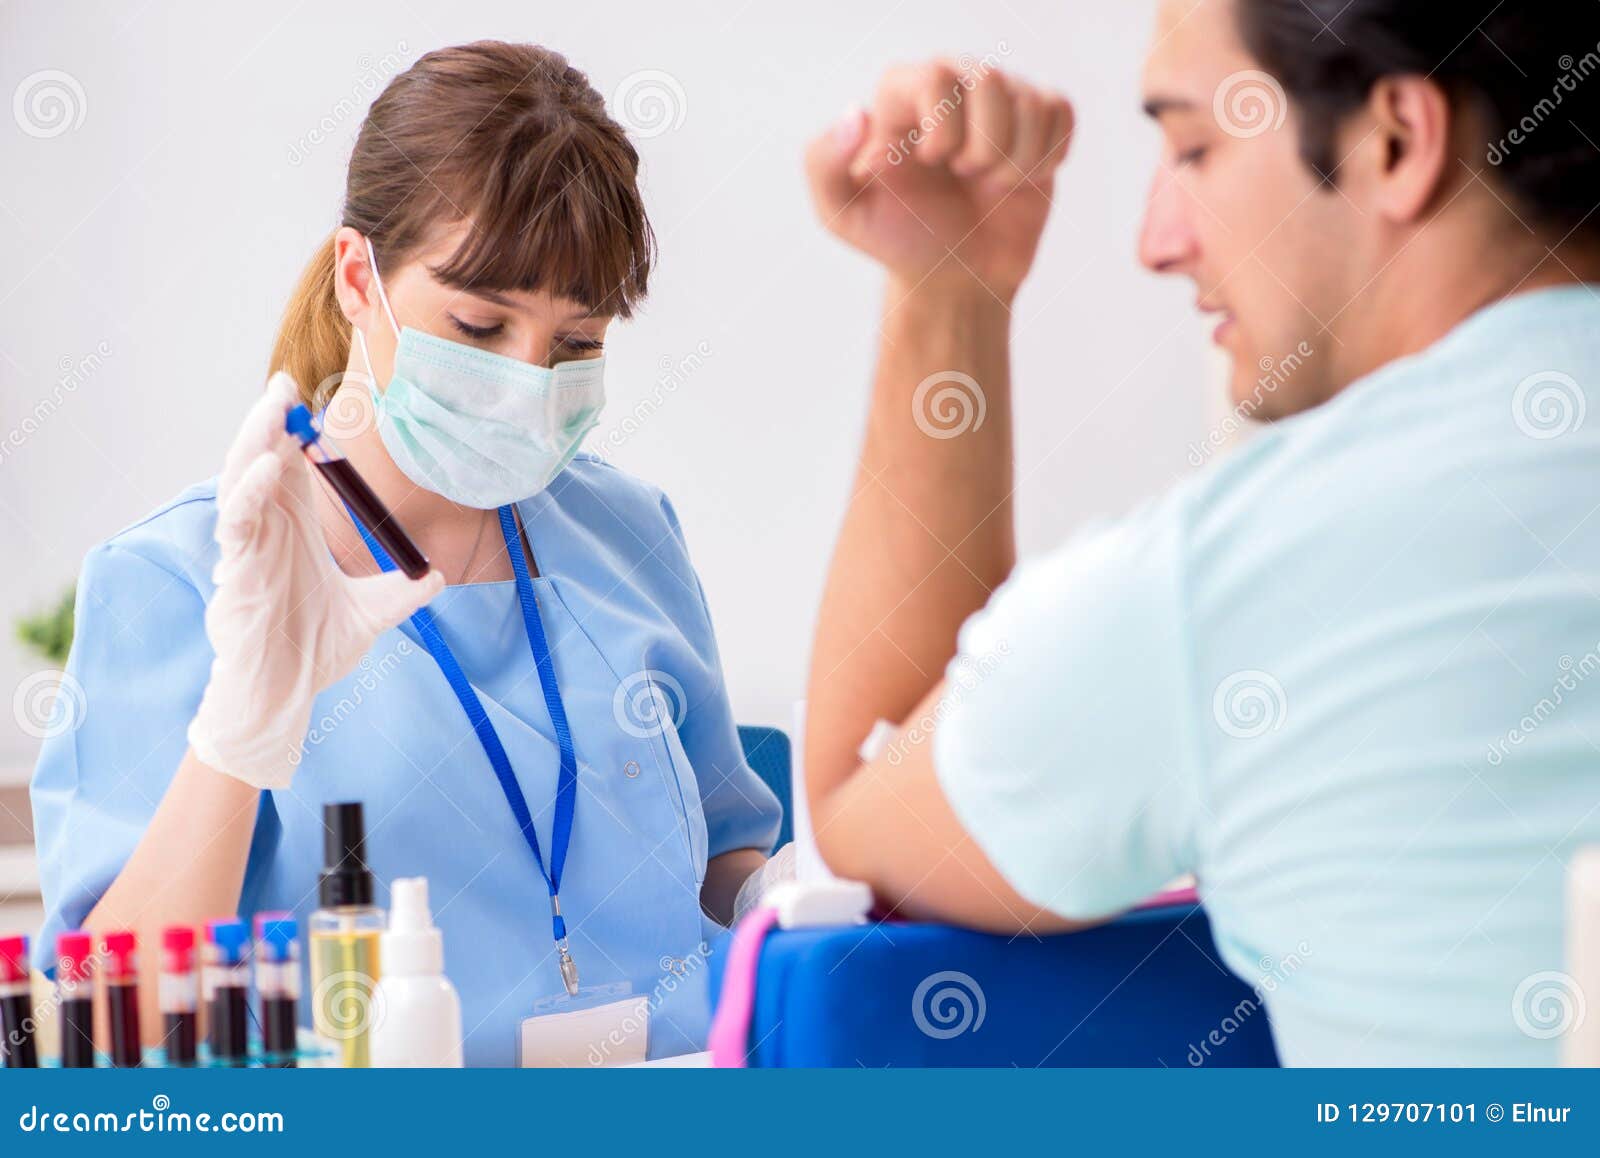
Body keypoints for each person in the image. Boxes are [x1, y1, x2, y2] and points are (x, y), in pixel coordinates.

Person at [800, 0, 1600, 1064]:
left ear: (1396, 140)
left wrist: (948, 287)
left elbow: (863, 807)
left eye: (1194, 148)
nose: (1156, 241)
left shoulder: (1231, 580)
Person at [31, 41, 782, 1066]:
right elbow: (106, 1021)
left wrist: (785, 899)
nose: (528, 379)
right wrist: (239, 735)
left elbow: (722, 860)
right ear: (358, 279)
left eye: (577, 344)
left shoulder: (627, 532)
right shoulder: (171, 579)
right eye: (478, 325)